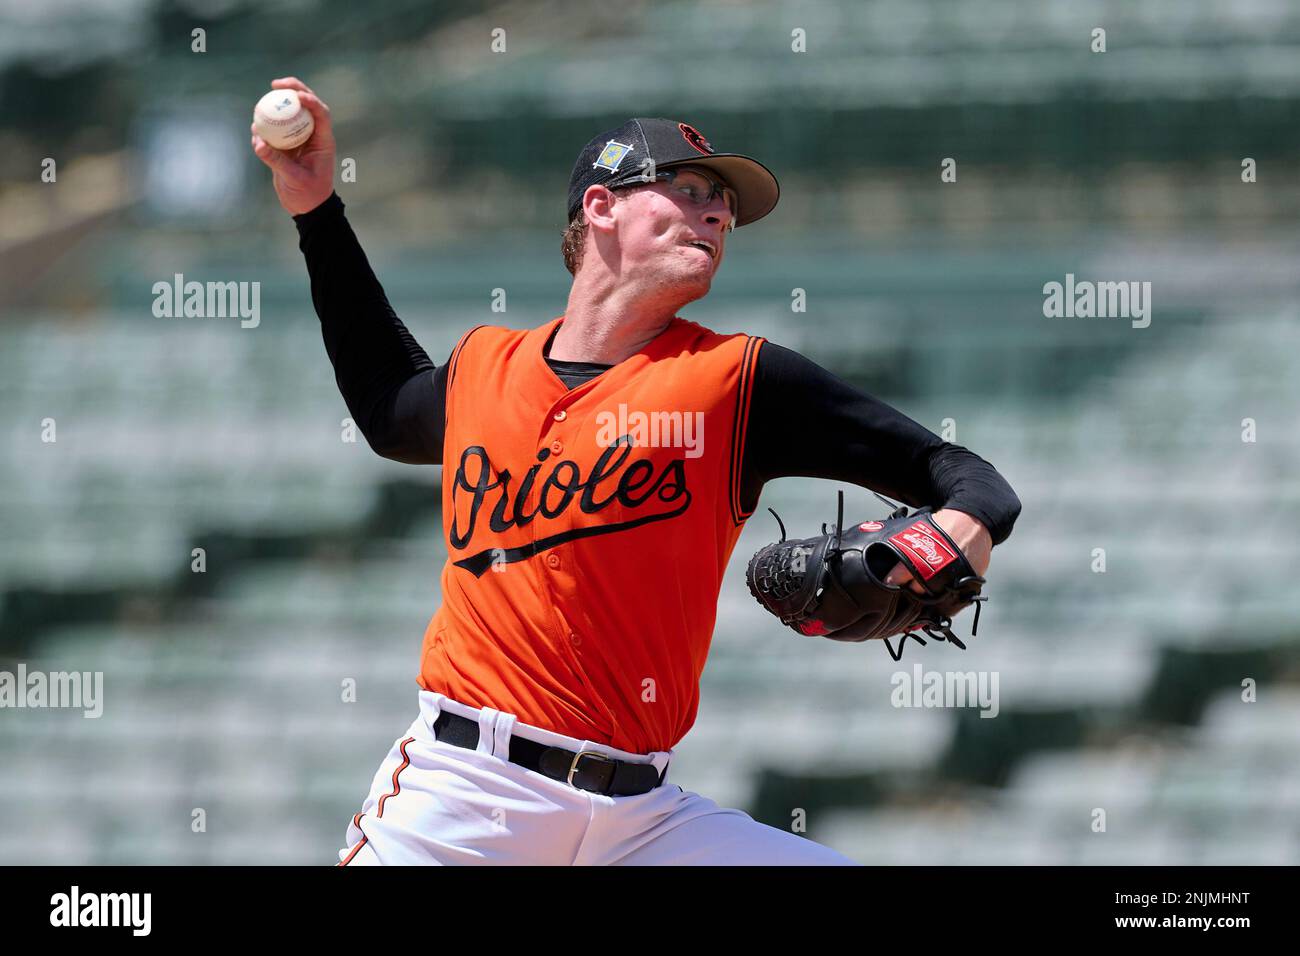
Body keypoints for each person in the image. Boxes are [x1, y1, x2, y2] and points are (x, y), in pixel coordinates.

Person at [252, 78, 1022, 865]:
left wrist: (963, 526)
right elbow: (386, 406)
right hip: (465, 800)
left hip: (642, 823)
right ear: (600, 207)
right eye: (689, 190)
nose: (717, 214)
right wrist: (316, 208)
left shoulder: (737, 380)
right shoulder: (486, 368)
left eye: (723, 206)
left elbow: (961, 474)